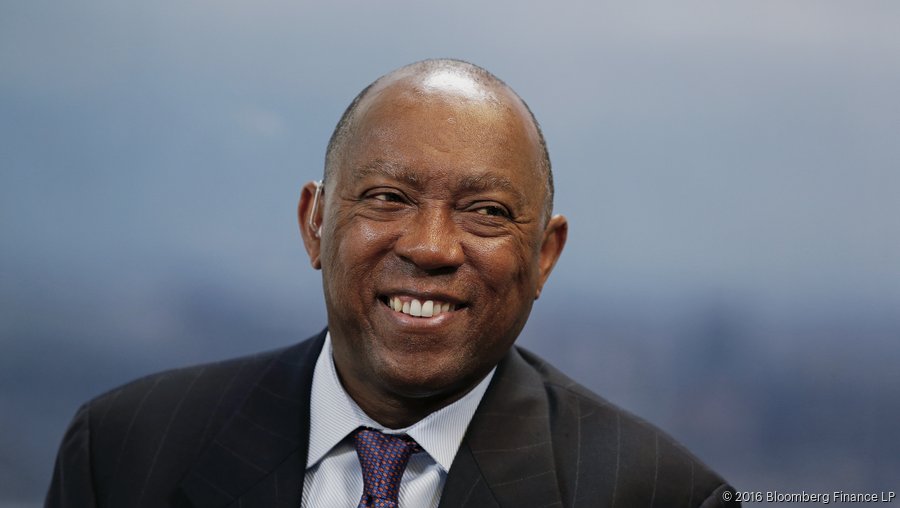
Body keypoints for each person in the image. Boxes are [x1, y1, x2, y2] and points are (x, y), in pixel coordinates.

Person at [46, 59, 739, 507]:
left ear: (544, 256)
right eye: (387, 198)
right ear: (316, 223)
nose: (431, 247)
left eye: (486, 211)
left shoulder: (663, 496)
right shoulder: (123, 450)